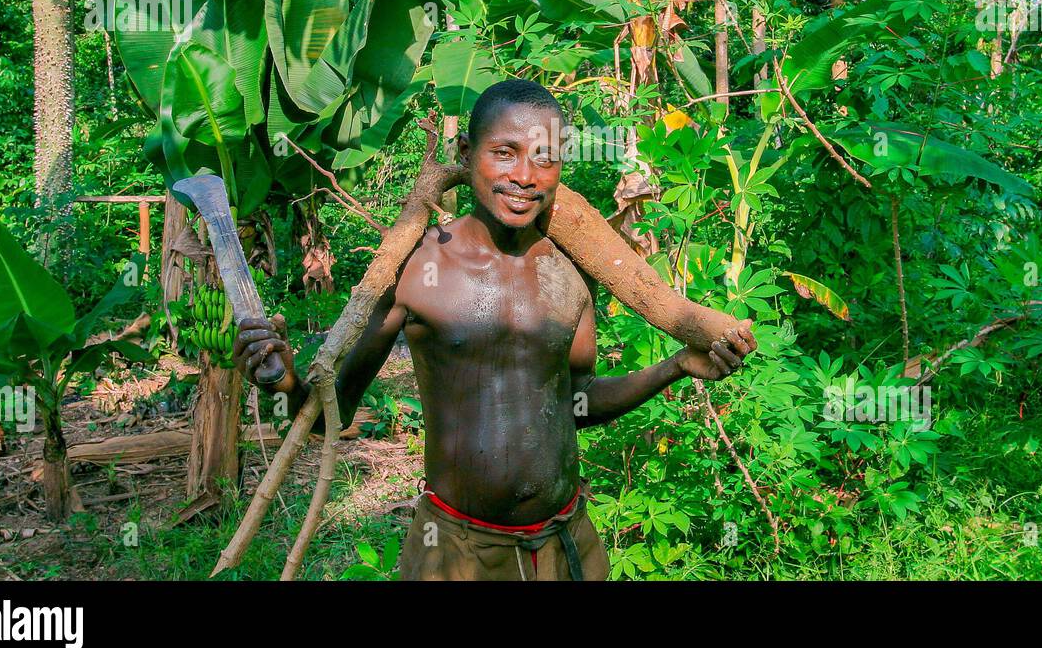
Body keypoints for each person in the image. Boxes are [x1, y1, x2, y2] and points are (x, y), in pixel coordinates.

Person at [235, 78, 755, 580]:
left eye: (545, 157)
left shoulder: (571, 271)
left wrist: (676, 367)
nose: (526, 175)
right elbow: (331, 417)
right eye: (504, 152)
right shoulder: (415, 268)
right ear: (465, 153)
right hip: (458, 552)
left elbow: (578, 402)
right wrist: (280, 384)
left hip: (564, 543)